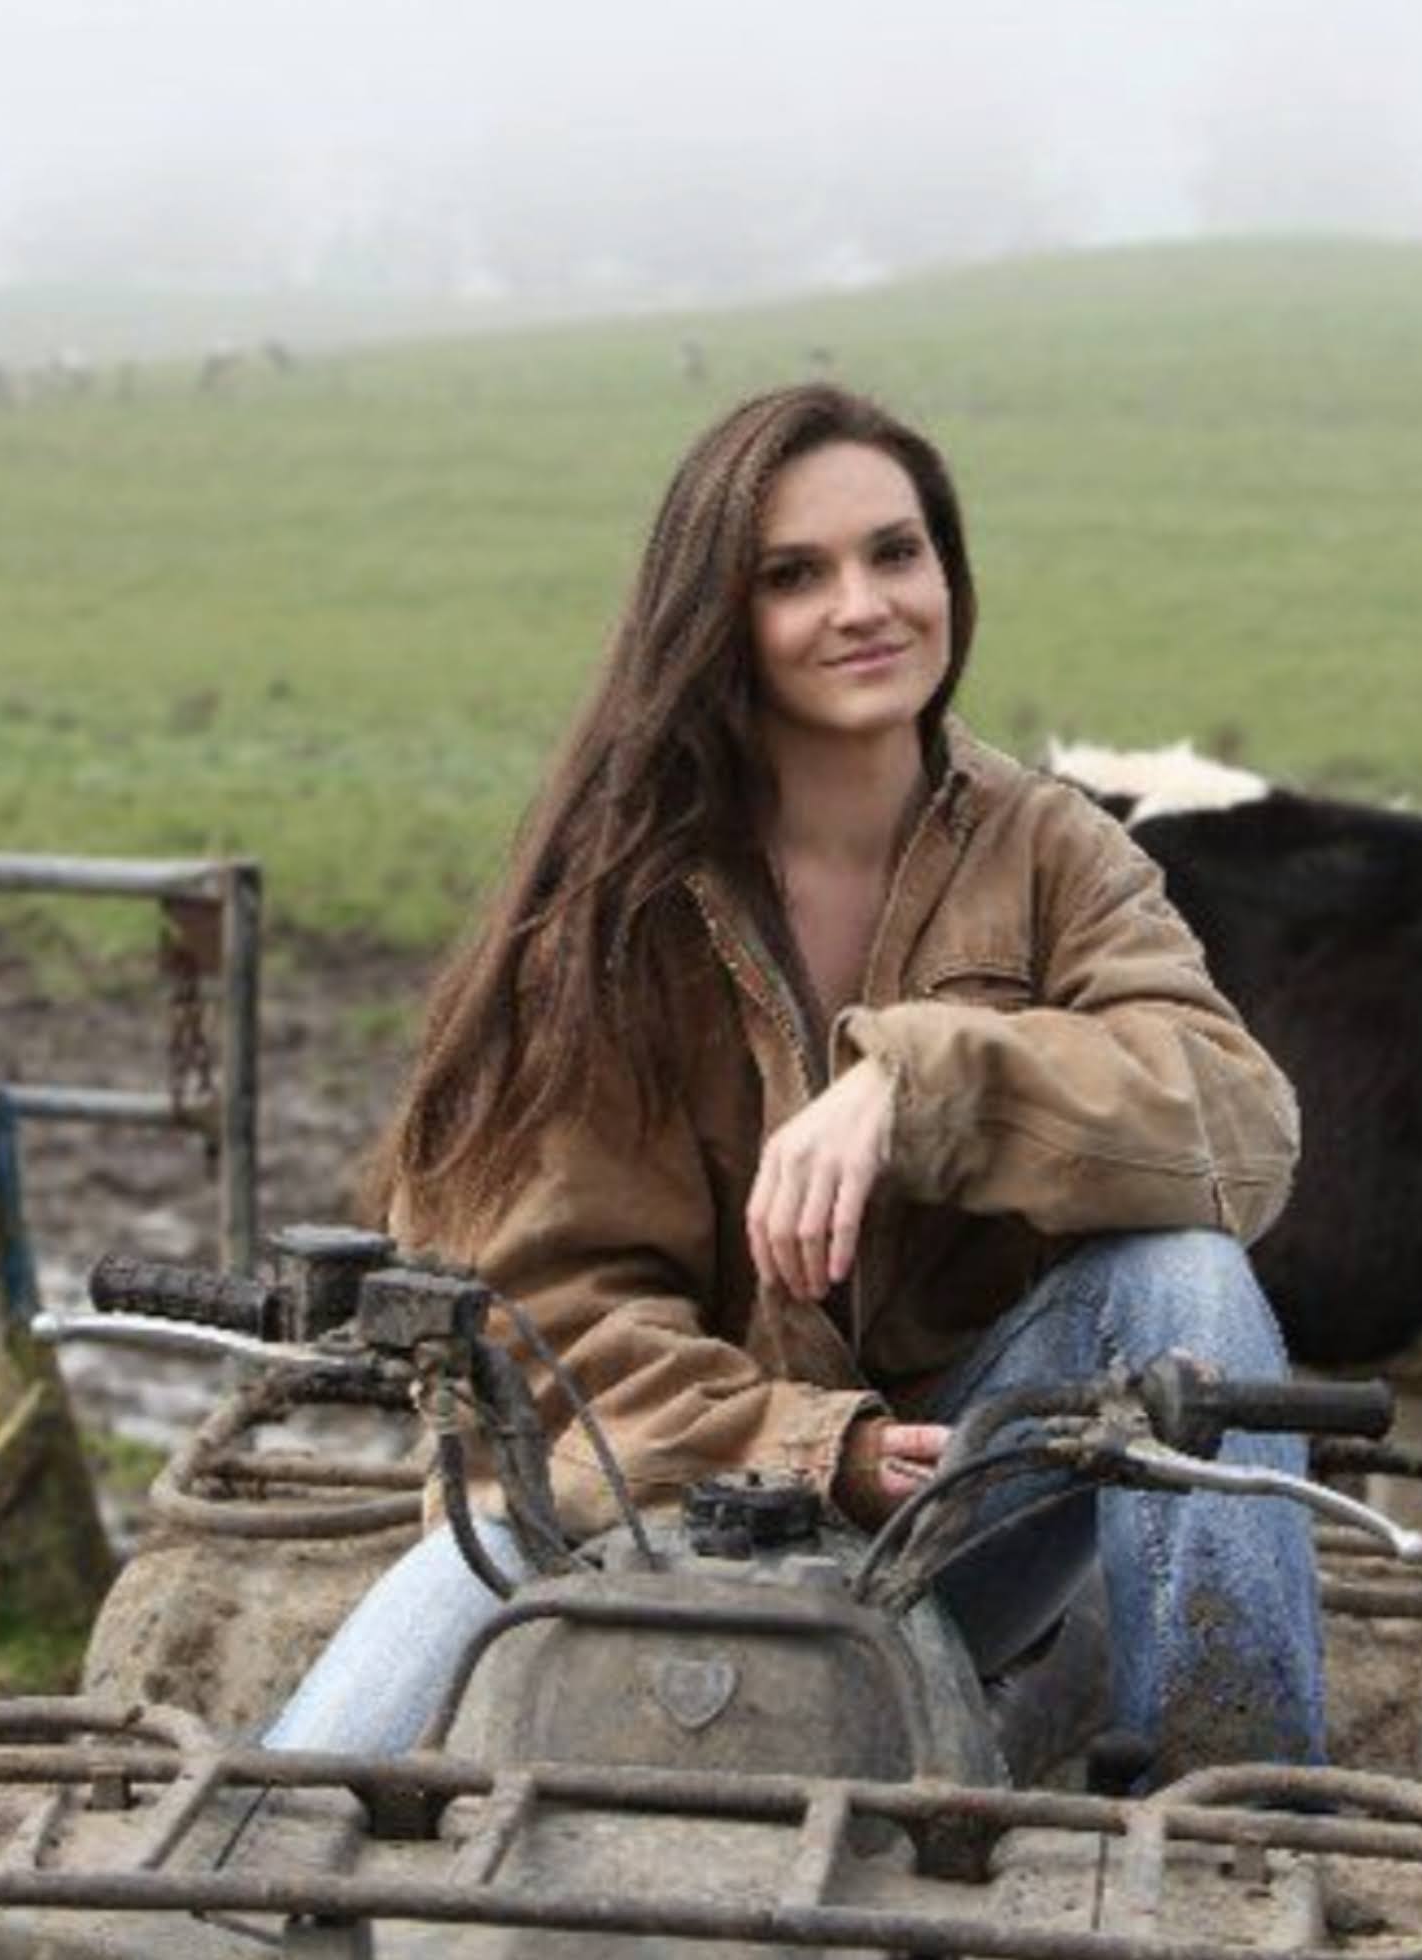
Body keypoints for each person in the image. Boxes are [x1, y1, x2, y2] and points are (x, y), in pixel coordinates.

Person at [269, 383, 1324, 1778]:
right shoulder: (608, 904)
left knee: (1180, 1280)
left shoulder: (1050, 852)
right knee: (287, 1828)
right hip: (619, 1514)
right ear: (716, 619)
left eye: (896, 552)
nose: (864, 604)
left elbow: (1239, 1127)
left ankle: (1236, 1806)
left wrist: (918, 1085)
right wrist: (808, 1439)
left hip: (939, 1524)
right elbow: (540, 1320)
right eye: (793, 575)